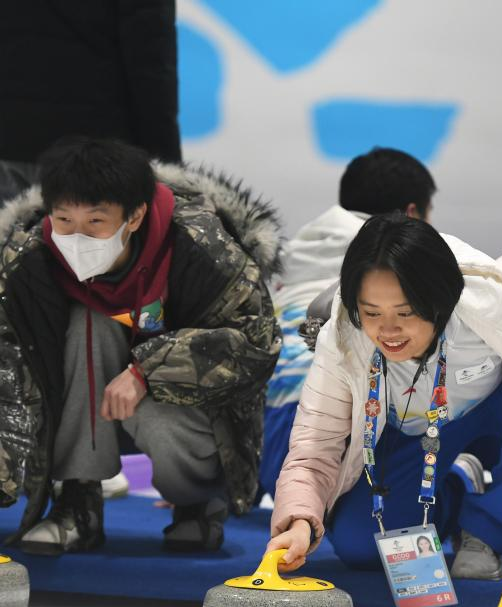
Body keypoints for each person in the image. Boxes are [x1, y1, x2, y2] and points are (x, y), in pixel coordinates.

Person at [266, 213, 502, 580]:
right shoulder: (343, 339)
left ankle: (486, 530)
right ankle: (459, 482)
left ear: (439, 300)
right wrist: (298, 521)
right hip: (411, 432)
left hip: (497, 408)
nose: (388, 330)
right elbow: (315, 446)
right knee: (362, 546)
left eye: (406, 313)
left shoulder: (488, 296)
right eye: (372, 312)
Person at [0, 137, 281, 553]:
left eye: (95, 223)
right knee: (86, 320)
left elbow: (255, 345)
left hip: (185, 410)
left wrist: (146, 370)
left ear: (134, 216)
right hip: (78, 407)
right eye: (63, 221)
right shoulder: (28, 260)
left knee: (155, 419)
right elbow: (9, 370)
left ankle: (195, 503)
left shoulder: (203, 248)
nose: (77, 237)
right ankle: (79, 501)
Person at [261, 147, 436, 497]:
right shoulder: (405, 259)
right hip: (341, 430)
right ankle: (466, 473)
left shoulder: (294, 251)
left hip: (263, 441)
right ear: (413, 213)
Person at [0, 1, 181, 204]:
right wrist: (168, 165)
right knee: (90, 233)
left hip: (11, 139)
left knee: (10, 233)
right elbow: (151, 65)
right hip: (95, 156)